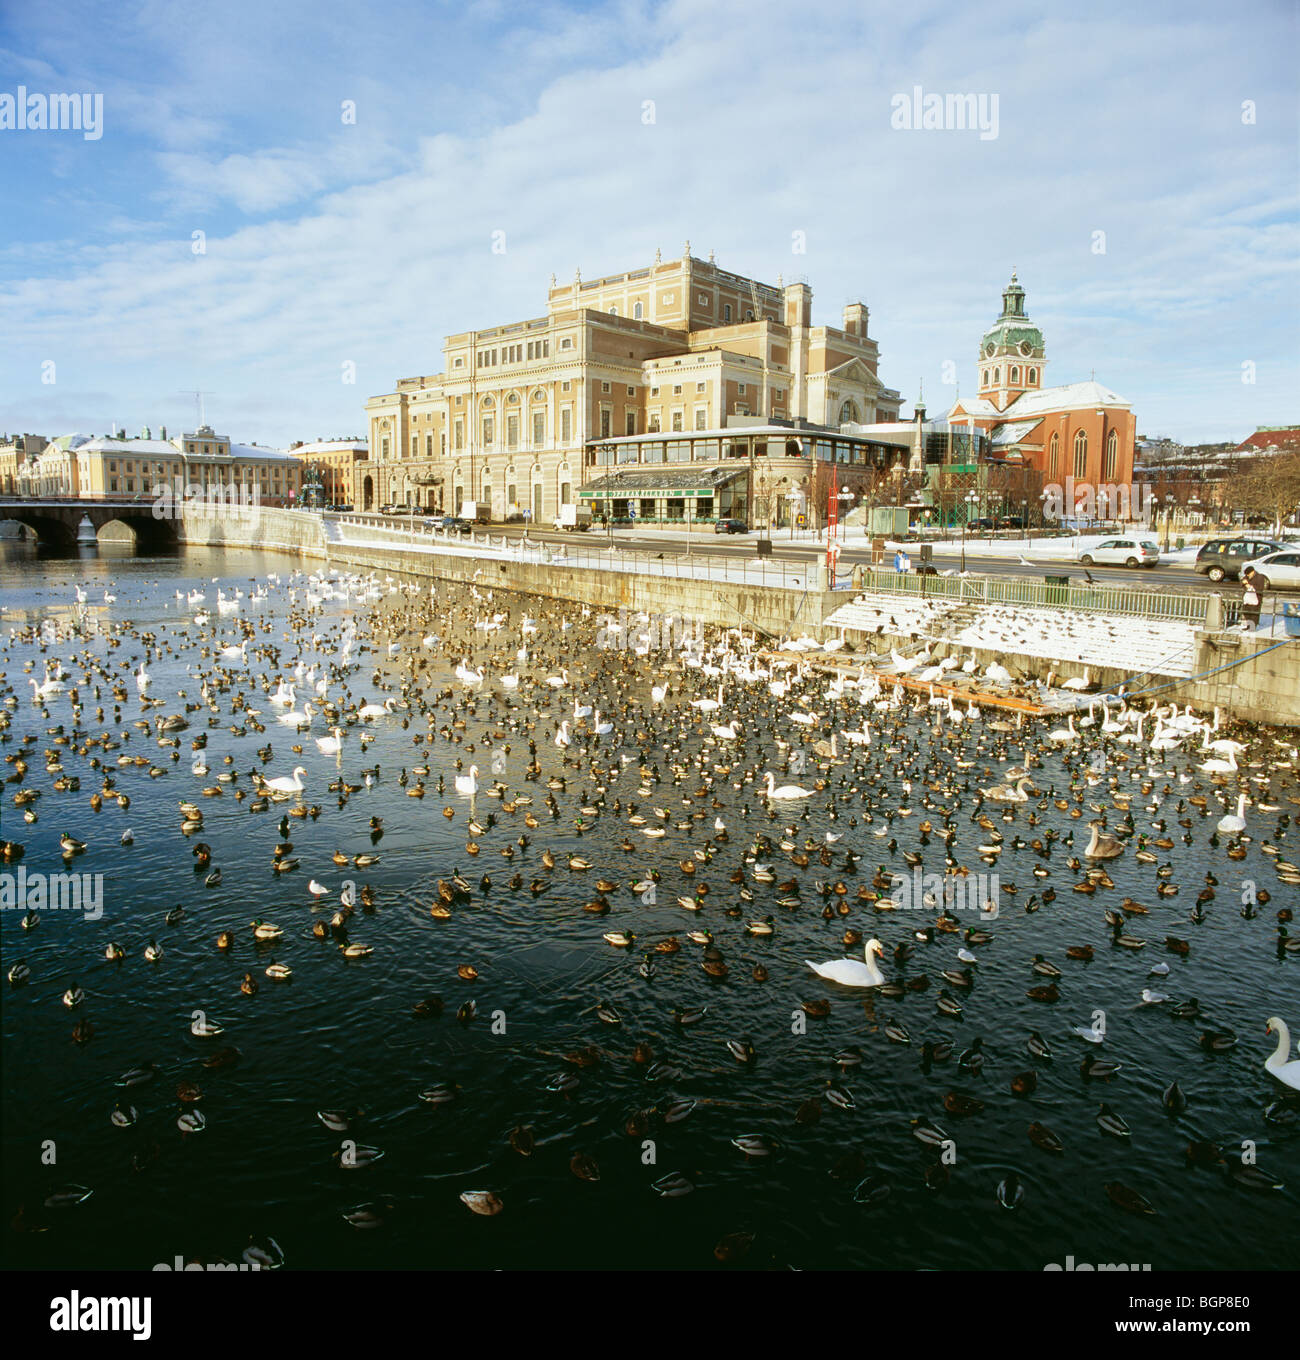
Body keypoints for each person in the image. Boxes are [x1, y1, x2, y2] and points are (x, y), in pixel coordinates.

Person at [1241, 566, 1261, 631]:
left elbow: (1260, 588)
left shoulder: (1259, 577)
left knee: (1254, 614)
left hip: (1255, 599)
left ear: (1252, 572)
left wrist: (1250, 586)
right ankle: (1247, 626)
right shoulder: (1246, 577)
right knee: (1246, 612)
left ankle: (1252, 628)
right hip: (1247, 599)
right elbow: (1242, 581)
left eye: (1248, 574)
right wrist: (1243, 583)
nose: (1247, 575)